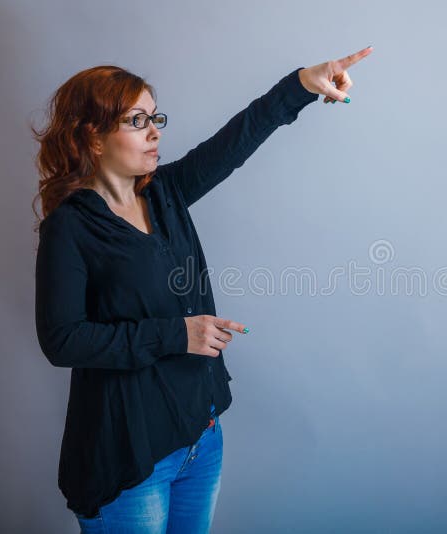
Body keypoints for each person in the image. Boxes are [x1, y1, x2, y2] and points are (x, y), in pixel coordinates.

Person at [32, 46, 373, 533]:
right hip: (131, 455)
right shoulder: (70, 228)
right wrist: (176, 335)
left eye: (156, 117)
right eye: (137, 121)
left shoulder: (165, 192)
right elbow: (62, 340)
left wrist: (301, 84)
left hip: (200, 436)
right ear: (94, 135)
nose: (155, 132)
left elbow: (236, 141)